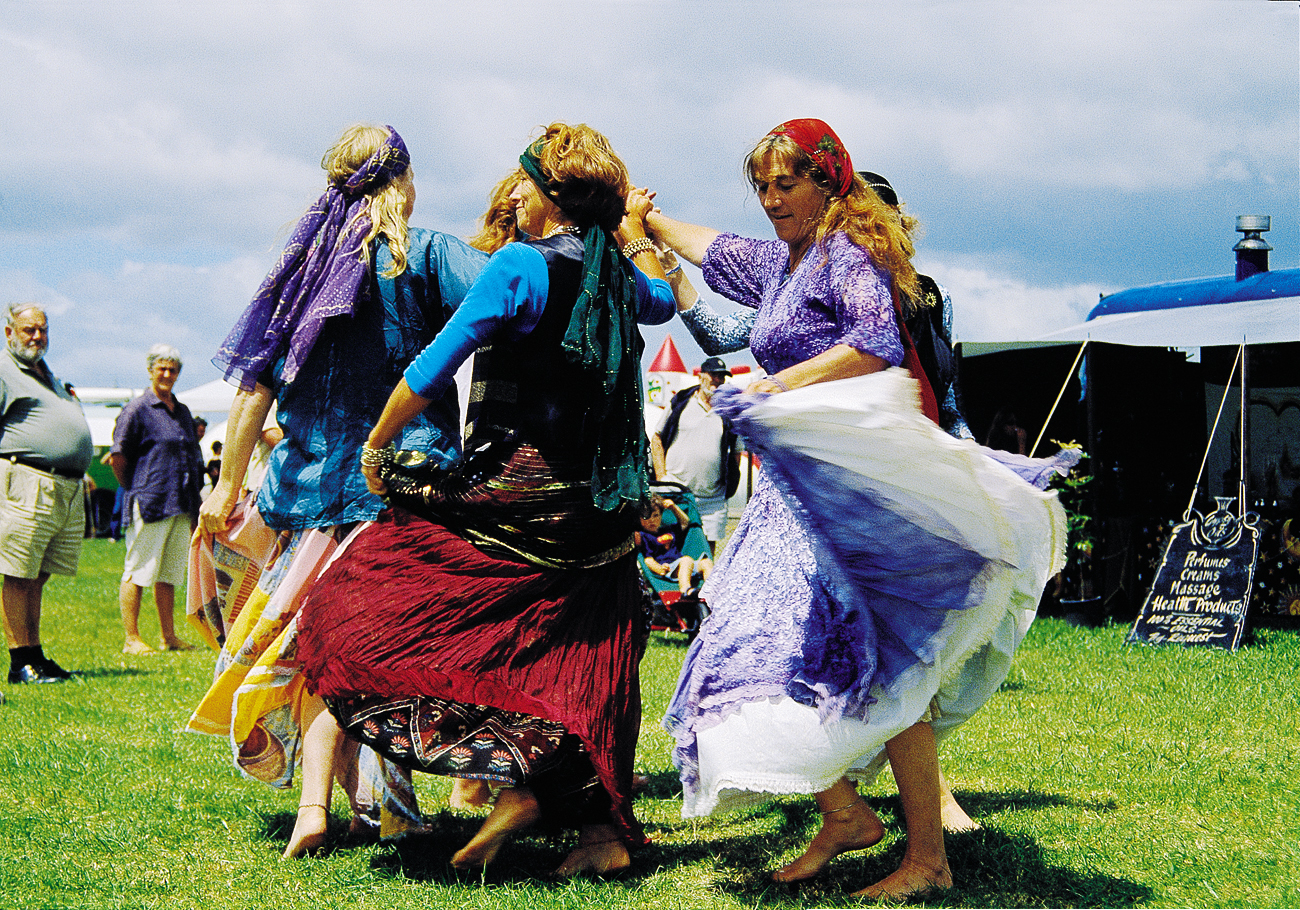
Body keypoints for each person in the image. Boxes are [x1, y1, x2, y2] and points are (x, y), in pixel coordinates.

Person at [640, 119, 1066, 900]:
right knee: (775, 648)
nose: (771, 200)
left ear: (828, 180)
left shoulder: (848, 253)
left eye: (786, 184)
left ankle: (924, 856)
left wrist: (777, 384)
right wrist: (646, 220)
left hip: (847, 497)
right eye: (762, 186)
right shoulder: (784, 260)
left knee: (877, 662)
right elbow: (717, 247)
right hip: (791, 493)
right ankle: (844, 814)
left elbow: (875, 343)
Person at [294, 122, 675, 877]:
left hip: (517, 492)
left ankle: (528, 796)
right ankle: (588, 826)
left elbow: (434, 366)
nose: (518, 192)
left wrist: (377, 445)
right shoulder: (619, 278)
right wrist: (634, 233)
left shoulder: (517, 268)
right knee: (584, 654)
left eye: (527, 180)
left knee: (351, 596)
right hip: (596, 510)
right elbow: (662, 301)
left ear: (549, 194)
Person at [187, 123, 487, 858]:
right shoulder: (428, 253)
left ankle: (322, 805)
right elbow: (519, 295)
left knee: (320, 645)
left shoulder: (305, 271)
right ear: (404, 181)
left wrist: (226, 487)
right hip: (399, 485)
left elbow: (254, 387)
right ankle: (389, 809)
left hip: (309, 494)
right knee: (383, 651)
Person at [0, 303, 93, 684]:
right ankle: (19, 660)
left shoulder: (47, 374)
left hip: (64, 486)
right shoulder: (5, 370)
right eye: (28, 330)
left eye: (42, 329)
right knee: (18, 571)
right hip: (26, 481)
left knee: (38, 574)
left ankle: (35, 655)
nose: (37, 337)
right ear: (9, 333)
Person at [111, 344, 203, 655]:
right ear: (150, 370)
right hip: (150, 502)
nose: (167, 374)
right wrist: (136, 488)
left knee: (170, 572)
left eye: (173, 369)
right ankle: (131, 638)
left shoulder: (183, 411)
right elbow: (118, 457)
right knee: (138, 570)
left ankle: (169, 636)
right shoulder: (137, 409)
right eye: (161, 368)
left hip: (181, 502)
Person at [650, 357, 740, 552]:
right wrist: (662, 478)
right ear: (700, 377)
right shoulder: (681, 402)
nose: (717, 380)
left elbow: (736, 453)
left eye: (722, 377)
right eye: (713, 375)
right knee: (671, 548)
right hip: (676, 492)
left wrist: (728, 483)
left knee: (707, 553)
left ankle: (703, 584)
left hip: (712, 499)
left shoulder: (728, 411)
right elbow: (657, 439)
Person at [638, 495, 712, 595]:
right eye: (647, 517)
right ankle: (685, 589)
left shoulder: (668, 530)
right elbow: (648, 559)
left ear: (661, 516)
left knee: (706, 562)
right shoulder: (644, 536)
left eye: (656, 516)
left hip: (683, 565)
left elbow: (685, 522)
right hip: (669, 568)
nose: (652, 520)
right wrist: (659, 569)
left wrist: (673, 507)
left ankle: (711, 589)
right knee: (687, 560)